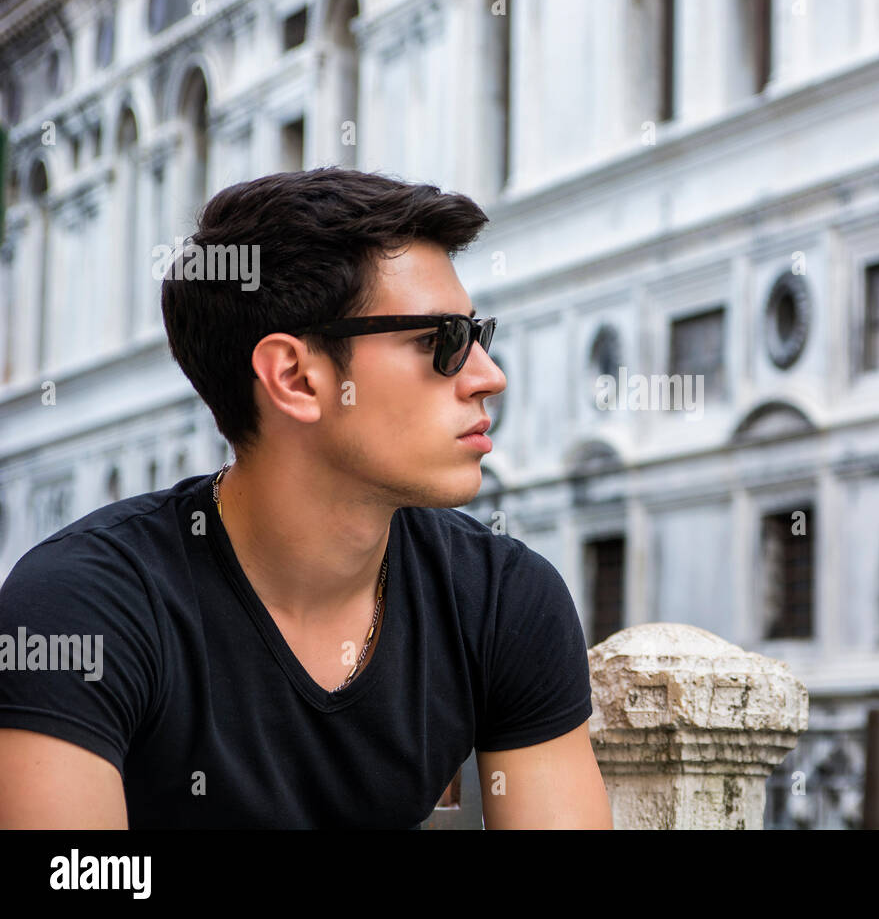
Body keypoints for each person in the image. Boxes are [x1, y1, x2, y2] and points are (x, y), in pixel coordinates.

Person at [0, 168, 612, 829]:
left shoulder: (500, 599)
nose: (489, 377)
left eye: (476, 335)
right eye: (439, 342)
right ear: (294, 377)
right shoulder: (80, 609)